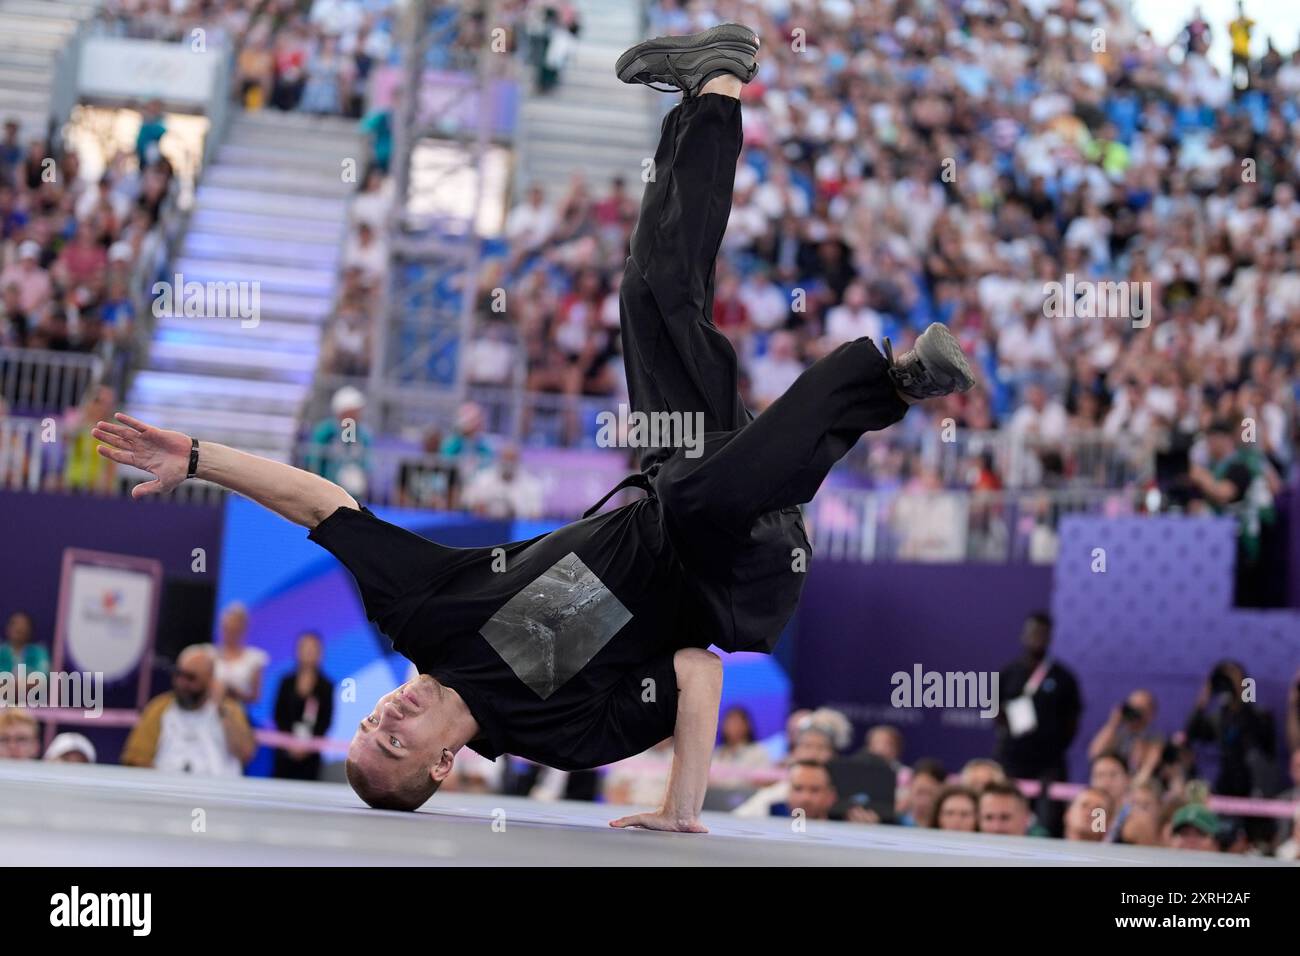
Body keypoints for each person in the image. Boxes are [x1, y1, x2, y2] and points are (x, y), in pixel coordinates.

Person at [91, 23, 975, 829]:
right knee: (710, 497)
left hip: (664, 486)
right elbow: (699, 671)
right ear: (444, 764)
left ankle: (713, 91)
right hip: (735, 570)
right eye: (393, 744)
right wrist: (682, 808)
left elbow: (320, 505)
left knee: (653, 296)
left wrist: (201, 456)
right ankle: (893, 381)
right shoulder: (562, 733)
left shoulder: (422, 616)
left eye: (370, 724)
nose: (385, 717)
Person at [993, 612, 1082, 831]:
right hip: (1012, 758)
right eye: (1033, 632)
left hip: (1049, 763)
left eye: (1042, 634)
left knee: (1048, 821)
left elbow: (1072, 720)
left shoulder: (1063, 677)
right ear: (1023, 635)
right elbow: (994, 711)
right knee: (1004, 813)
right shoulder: (1009, 672)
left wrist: (1053, 743)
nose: (1037, 638)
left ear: (1050, 638)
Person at [121, 644, 256, 776]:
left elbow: (245, 753)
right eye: (178, 674)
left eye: (191, 678)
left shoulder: (229, 709)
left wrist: (220, 708)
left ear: (210, 680)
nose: (181, 682)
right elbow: (135, 758)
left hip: (218, 792)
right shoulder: (159, 708)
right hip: (167, 790)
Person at [272, 631, 335, 781]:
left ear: (320, 653)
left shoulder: (326, 686)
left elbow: (326, 721)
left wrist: (306, 747)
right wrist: (290, 744)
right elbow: (278, 715)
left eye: (313, 649)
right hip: (284, 753)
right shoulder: (286, 682)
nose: (308, 653)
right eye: (305, 648)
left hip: (311, 757)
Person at [213, 603, 269, 708]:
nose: (229, 633)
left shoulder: (255, 658)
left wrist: (235, 693)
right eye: (226, 628)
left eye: (234, 629)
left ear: (242, 629)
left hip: (238, 713)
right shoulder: (209, 654)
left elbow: (256, 696)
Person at [0, 610, 50, 680]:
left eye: (24, 625)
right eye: (14, 624)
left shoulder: (39, 652)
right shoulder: (1, 650)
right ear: (7, 628)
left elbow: (43, 677)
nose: (19, 628)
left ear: (30, 630)